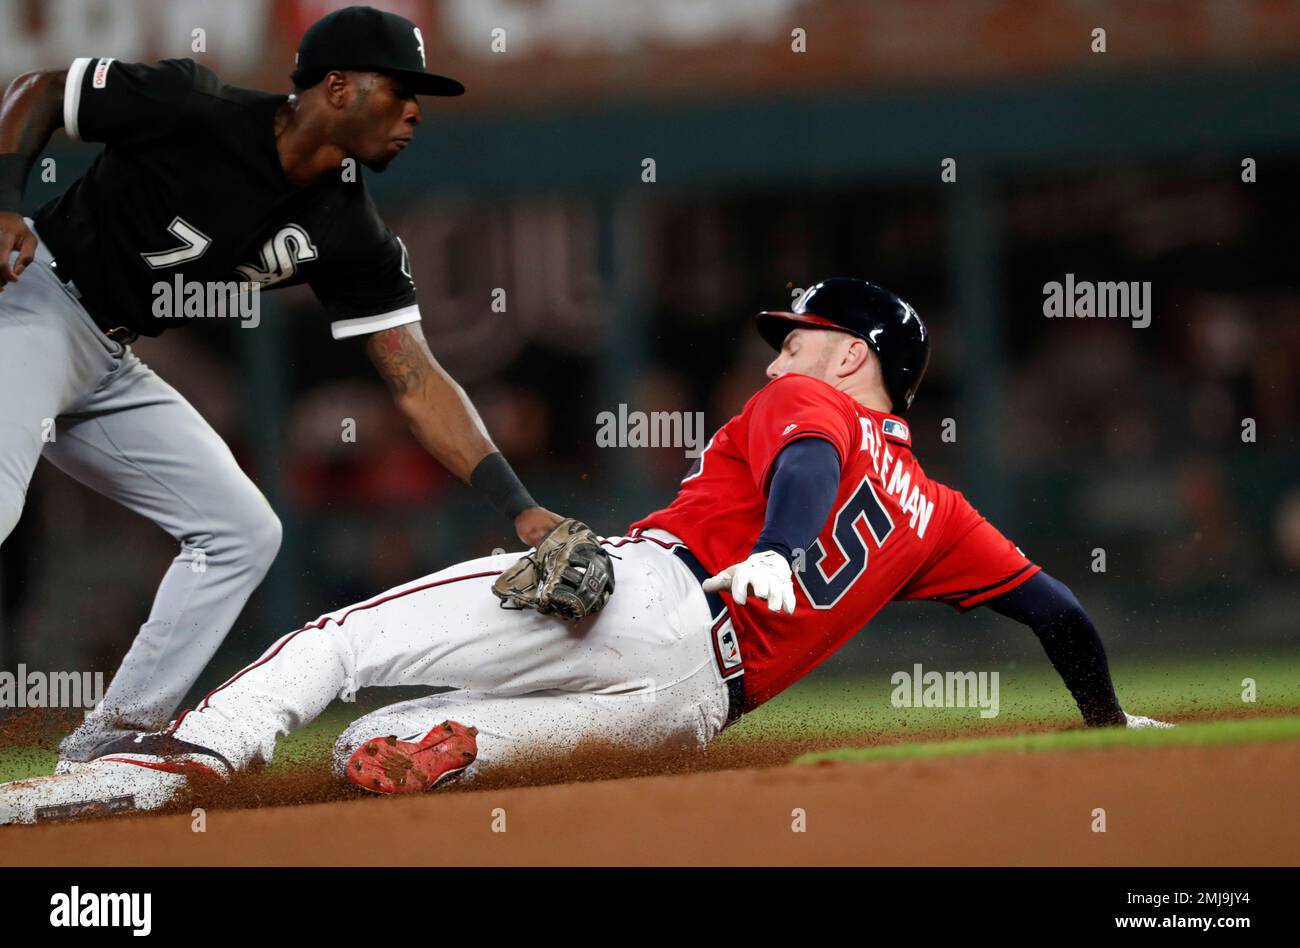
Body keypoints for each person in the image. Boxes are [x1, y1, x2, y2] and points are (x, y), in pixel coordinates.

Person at [0, 277, 1171, 825]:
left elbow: (809, 467)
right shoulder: (940, 509)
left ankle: (177, 762)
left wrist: (780, 543)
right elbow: (1058, 610)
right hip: (691, 708)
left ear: (854, 353)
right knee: (373, 746)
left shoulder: (812, 412)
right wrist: (1108, 724)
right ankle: (444, 751)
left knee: (342, 639)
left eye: (798, 337)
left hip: (647, 598)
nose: (776, 358)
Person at [0, 6, 566, 765]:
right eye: (398, 90)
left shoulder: (347, 225)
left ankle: (110, 738)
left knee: (241, 531)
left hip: (107, 356)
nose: (413, 112)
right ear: (336, 87)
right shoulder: (193, 105)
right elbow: (37, 89)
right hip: (32, 298)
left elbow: (417, 381)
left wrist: (520, 506)